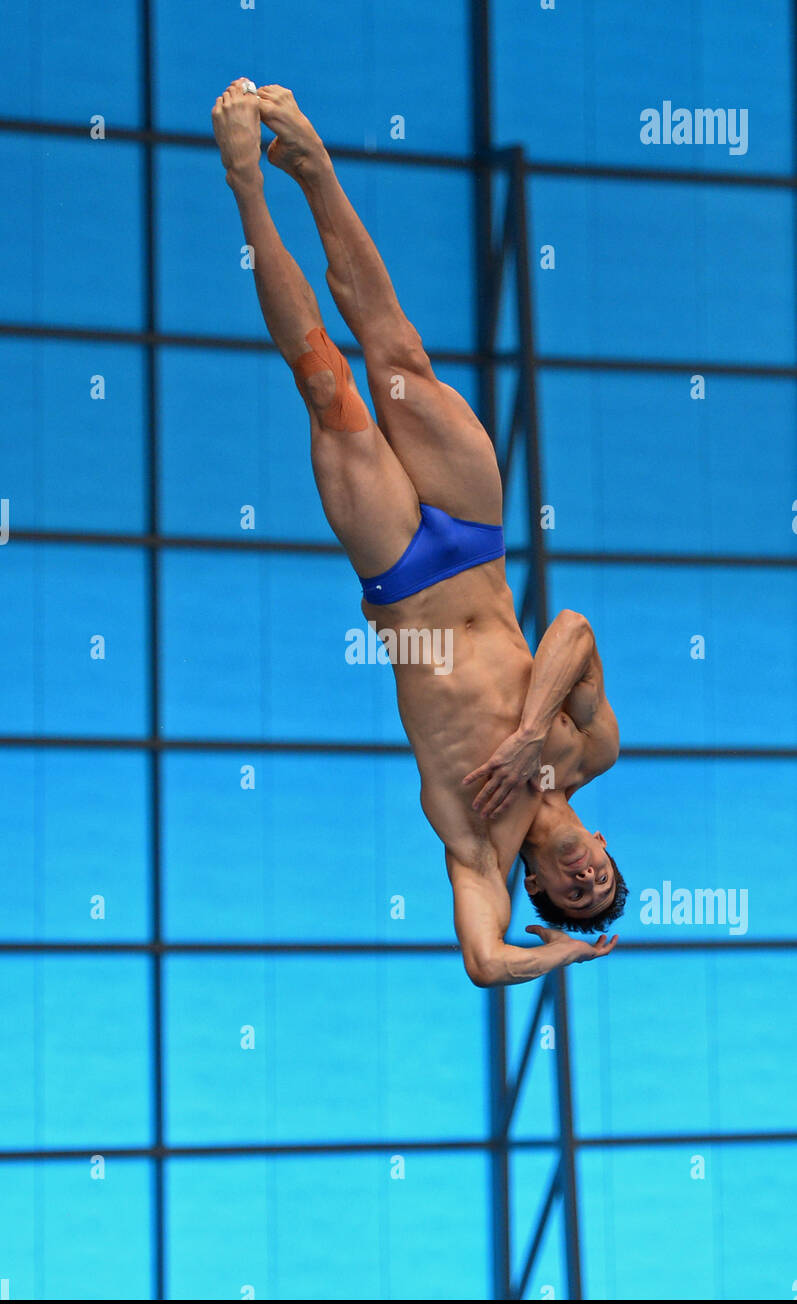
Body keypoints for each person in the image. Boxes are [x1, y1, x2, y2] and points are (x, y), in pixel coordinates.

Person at [211, 79, 625, 986]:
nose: (588, 883)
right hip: (474, 539)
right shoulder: (586, 749)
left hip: (400, 573)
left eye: (575, 898)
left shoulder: (479, 844)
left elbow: (483, 961)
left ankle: (246, 179)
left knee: (325, 384)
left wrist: (551, 953)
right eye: (602, 880)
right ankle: (314, 169)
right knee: (398, 354)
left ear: (542, 889)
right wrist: (526, 735)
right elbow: (572, 631)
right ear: (601, 842)